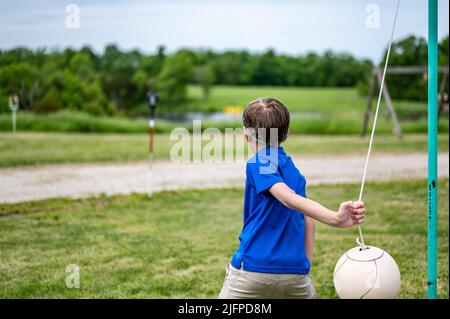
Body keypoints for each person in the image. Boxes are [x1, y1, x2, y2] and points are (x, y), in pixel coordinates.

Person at [218, 98, 365, 299]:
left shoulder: (260, 162)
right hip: (296, 273)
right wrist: (305, 268)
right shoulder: (292, 169)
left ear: (246, 134)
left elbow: (286, 198)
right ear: (287, 134)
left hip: (253, 269)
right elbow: (308, 221)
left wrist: (335, 218)